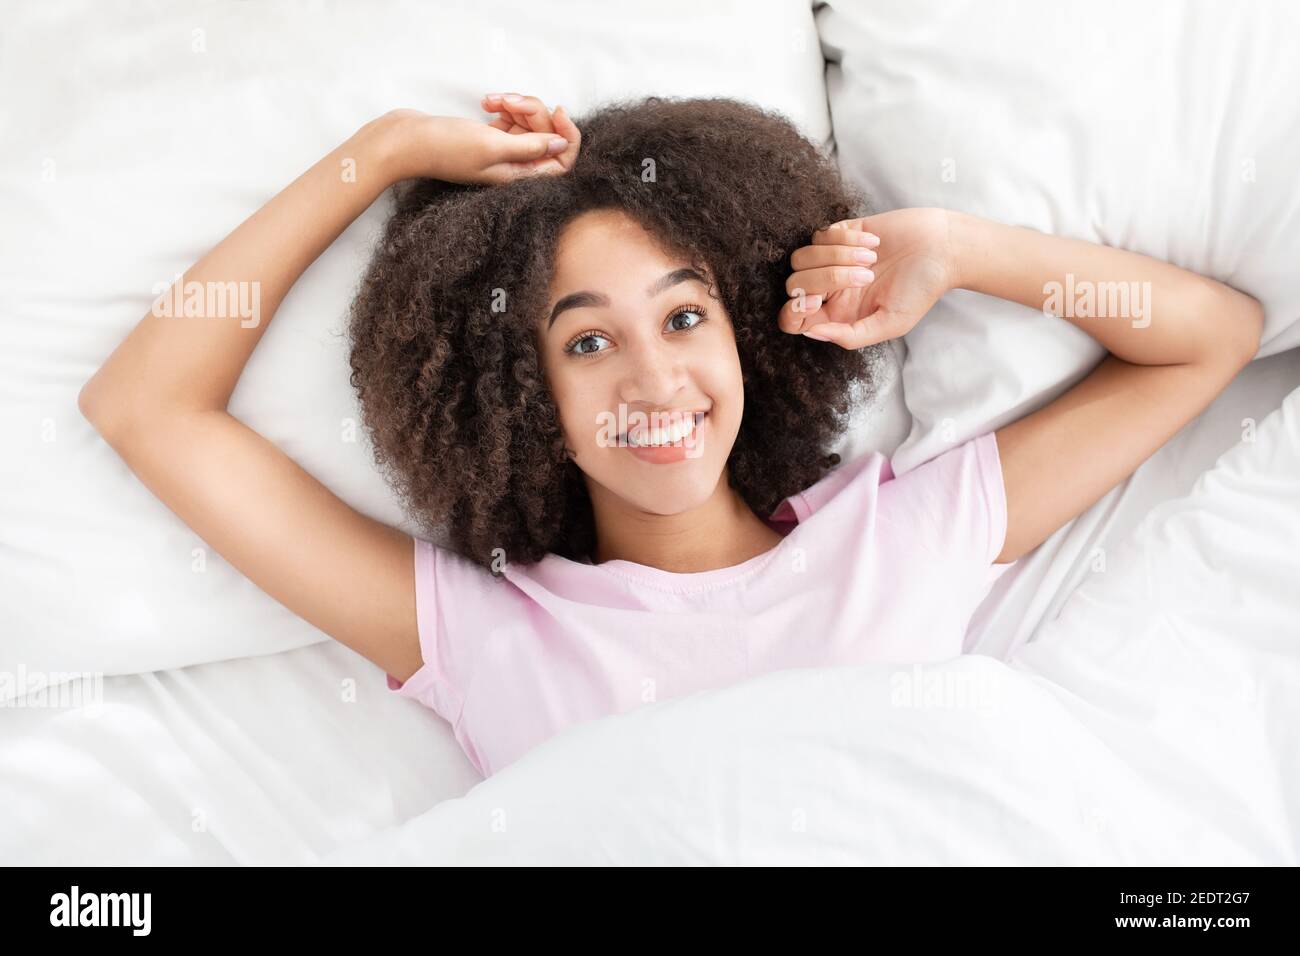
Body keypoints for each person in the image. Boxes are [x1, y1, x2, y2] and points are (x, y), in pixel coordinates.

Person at [79, 93, 1263, 777]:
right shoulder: (492, 633)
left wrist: (959, 249)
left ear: (745, 330)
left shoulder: (902, 533)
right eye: (587, 342)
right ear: (523, 394)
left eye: (685, 316)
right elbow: (146, 407)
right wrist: (376, 154)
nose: (657, 377)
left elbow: (1211, 335)